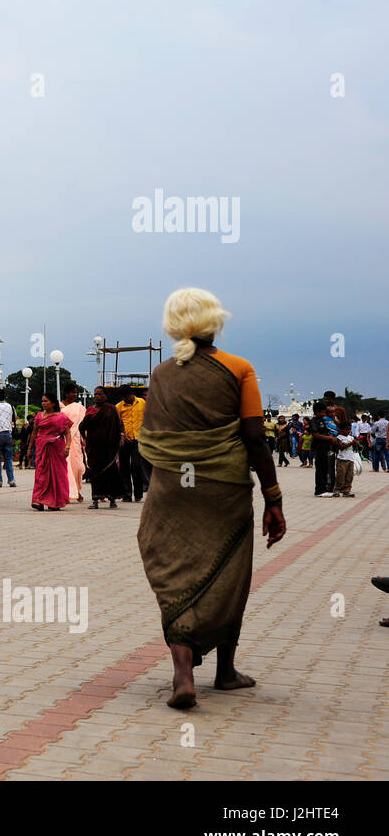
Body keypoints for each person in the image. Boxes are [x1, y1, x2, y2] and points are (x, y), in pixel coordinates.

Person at [137, 287, 285, 710]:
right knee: (230, 573)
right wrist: (273, 498)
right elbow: (255, 437)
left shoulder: (162, 375)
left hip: (170, 490)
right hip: (224, 489)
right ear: (215, 321)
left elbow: (151, 438)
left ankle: (182, 673)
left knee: (174, 572)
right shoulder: (238, 368)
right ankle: (224, 671)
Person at [79, 386, 124, 509]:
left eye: (100, 394)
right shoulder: (90, 410)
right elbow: (81, 427)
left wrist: (121, 436)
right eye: (95, 394)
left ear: (106, 396)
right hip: (94, 447)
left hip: (109, 447)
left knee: (111, 472)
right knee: (95, 473)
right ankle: (95, 500)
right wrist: (86, 424)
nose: (97, 396)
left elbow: (119, 425)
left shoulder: (111, 409)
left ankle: (112, 499)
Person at [29, 393, 72, 511]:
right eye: (42, 401)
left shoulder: (61, 417)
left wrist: (67, 447)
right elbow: (34, 432)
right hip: (42, 447)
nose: (43, 403)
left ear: (53, 403)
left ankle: (55, 502)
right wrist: (29, 448)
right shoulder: (39, 416)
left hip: (56, 448)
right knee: (41, 474)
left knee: (57, 474)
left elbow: (67, 433)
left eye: (46, 401)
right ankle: (38, 500)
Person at [115, 385, 147, 502]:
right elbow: (117, 424)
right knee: (124, 468)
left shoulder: (142, 403)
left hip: (138, 439)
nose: (125, 399)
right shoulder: (119, 407)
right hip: (124, 440)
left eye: (126, 396)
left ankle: (138, 494)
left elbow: (147, 417)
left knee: (136, 466)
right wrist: (121, 436)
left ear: (131, 393)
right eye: (123, 397)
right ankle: (126, 494)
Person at [60, 384, 86, 503]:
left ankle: (77, 490)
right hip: (62, 440)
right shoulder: (59, 406)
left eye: (76, 392)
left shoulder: (79, 407)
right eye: (72, 392)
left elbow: (84, 424)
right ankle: (69, 492)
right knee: (66, 467)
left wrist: (85, 439)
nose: (75, 395)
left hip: (76, 441)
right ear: (66, 393)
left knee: (78, 468)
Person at [310, 402, 337, 496]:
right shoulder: (314, 420)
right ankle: (319, 490)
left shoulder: (322, 420)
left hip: (325, 447)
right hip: (319, 447)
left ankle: (324, 489)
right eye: (323, 412)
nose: (325, 414)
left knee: (325, 468)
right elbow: (316, 435)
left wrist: (330, 437)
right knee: (320, 469)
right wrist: (329, 438)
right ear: (317, 412)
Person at [333, 421, 357, 497]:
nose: (348, 431)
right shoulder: (339, 437)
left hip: (350, 459)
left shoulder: (351, 438)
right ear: (341, 430)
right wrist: (351, 443)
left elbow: (357, 446)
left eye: (349, 430)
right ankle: (337, 489)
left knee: (349, 475)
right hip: (342, 460)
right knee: (341, 475)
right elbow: (341, 447)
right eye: (346, 429)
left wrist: (357, 443)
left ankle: (346, 490)